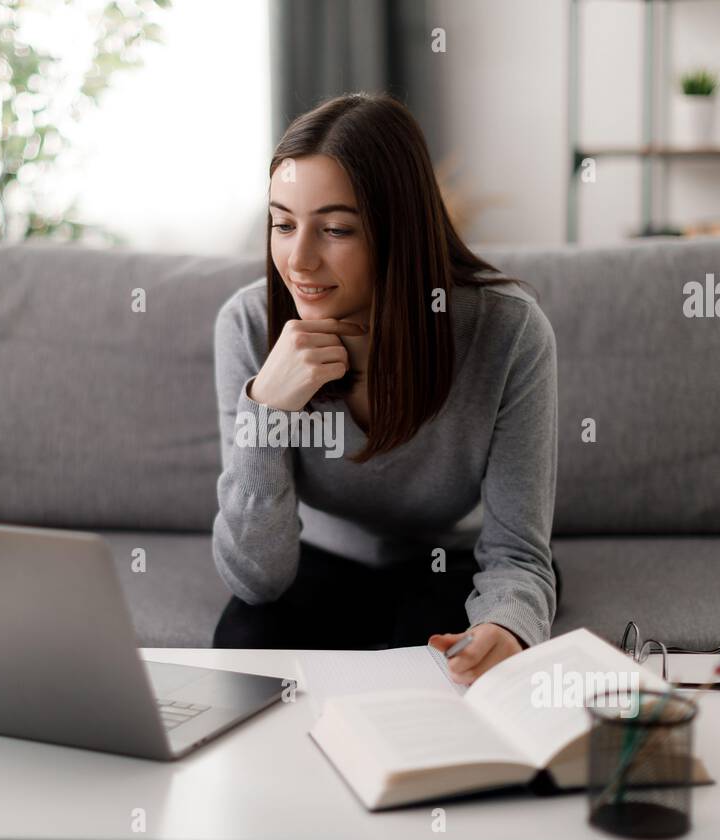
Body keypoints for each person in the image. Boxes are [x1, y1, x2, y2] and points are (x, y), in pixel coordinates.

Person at [211, 91, 560, 686]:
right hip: (316, 563)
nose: (298, 260)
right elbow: (255, 578)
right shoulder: (247, 325)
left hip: (452, 561)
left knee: (434, 676)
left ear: (398, 230)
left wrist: (507, 627)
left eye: (336, 229)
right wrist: (265, 410)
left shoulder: (509, 331)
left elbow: (518, 556)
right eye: (283, 224)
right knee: (243, 649)